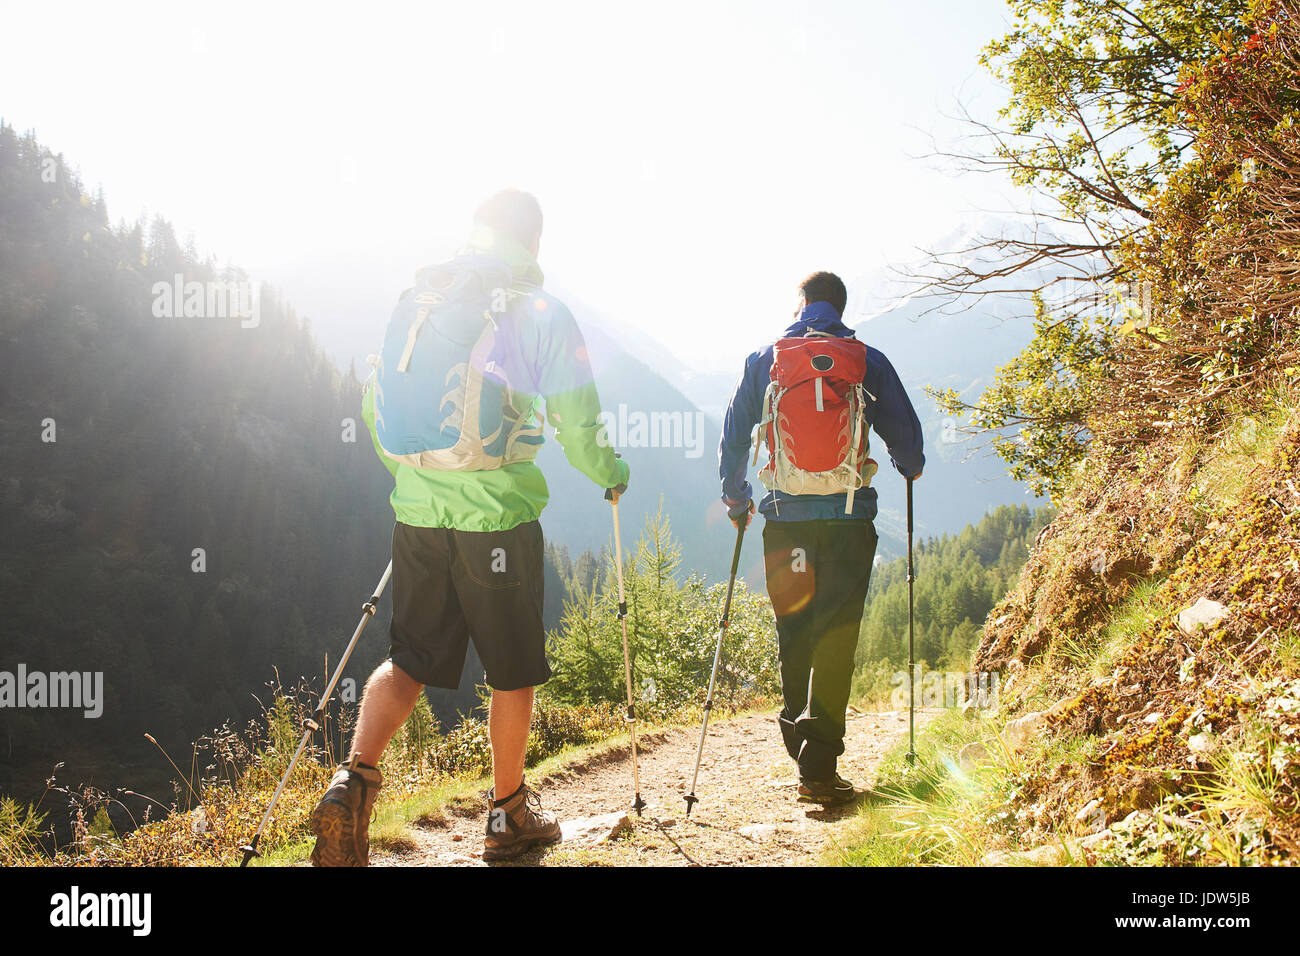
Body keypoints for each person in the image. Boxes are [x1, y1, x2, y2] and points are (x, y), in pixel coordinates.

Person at [311, 189, 629, 865]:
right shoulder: (537, 311)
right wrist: (610, 470)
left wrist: (418, 483)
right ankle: (508, 813)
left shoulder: (421, 300)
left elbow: (378, 407)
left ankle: (353, 781)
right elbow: (577, 422)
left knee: (410, 660)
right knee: (511, 668)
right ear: (534, 242)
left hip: (419, 509)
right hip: (497, 520)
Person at [718, 271, 923, 803]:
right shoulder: (865, 360)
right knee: (837, 634)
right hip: (848, 522)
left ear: (802, 303)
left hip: (786, 521)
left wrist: (735, 495)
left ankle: (799, 741)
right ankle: (820, 766)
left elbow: (736, 431)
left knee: (796, 630)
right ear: (842, 306)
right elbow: (906, 435)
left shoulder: (766, 359)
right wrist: (909, 464)